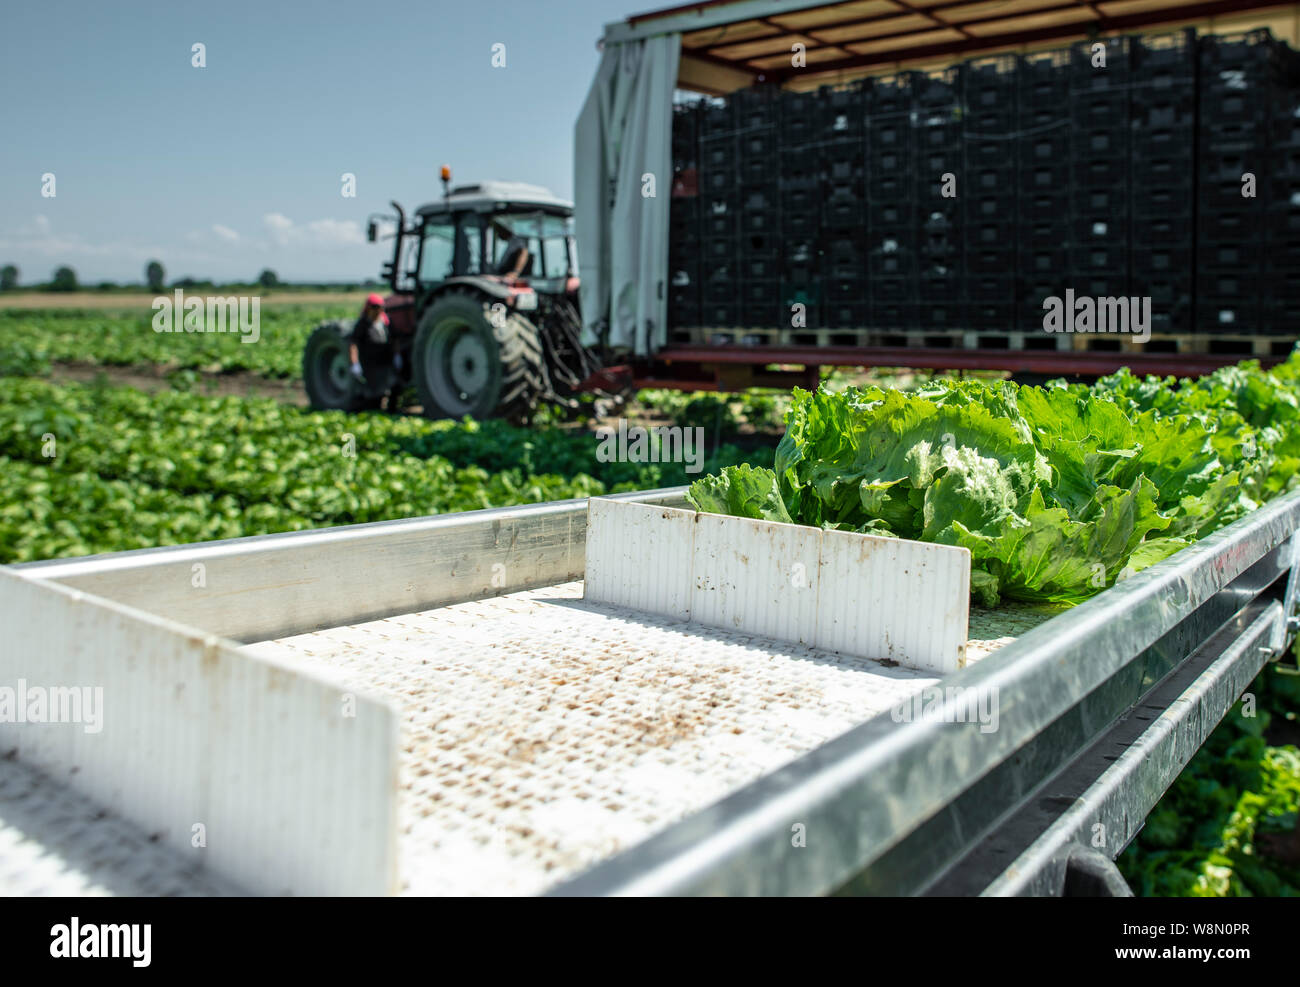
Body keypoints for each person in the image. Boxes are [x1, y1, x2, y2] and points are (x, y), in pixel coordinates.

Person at [348, 294, 402, 408]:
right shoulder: (363, 324)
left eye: (380, 308)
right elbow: (354, 344)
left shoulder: (386, 323)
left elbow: (395, 339)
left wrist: (397, 355)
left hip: (386, 362)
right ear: (368, 308)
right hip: (371, 365)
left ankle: (391, 409)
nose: (378, 311)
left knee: (394, 385)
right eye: (375, 307)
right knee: (374, 394)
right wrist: (355, 363)